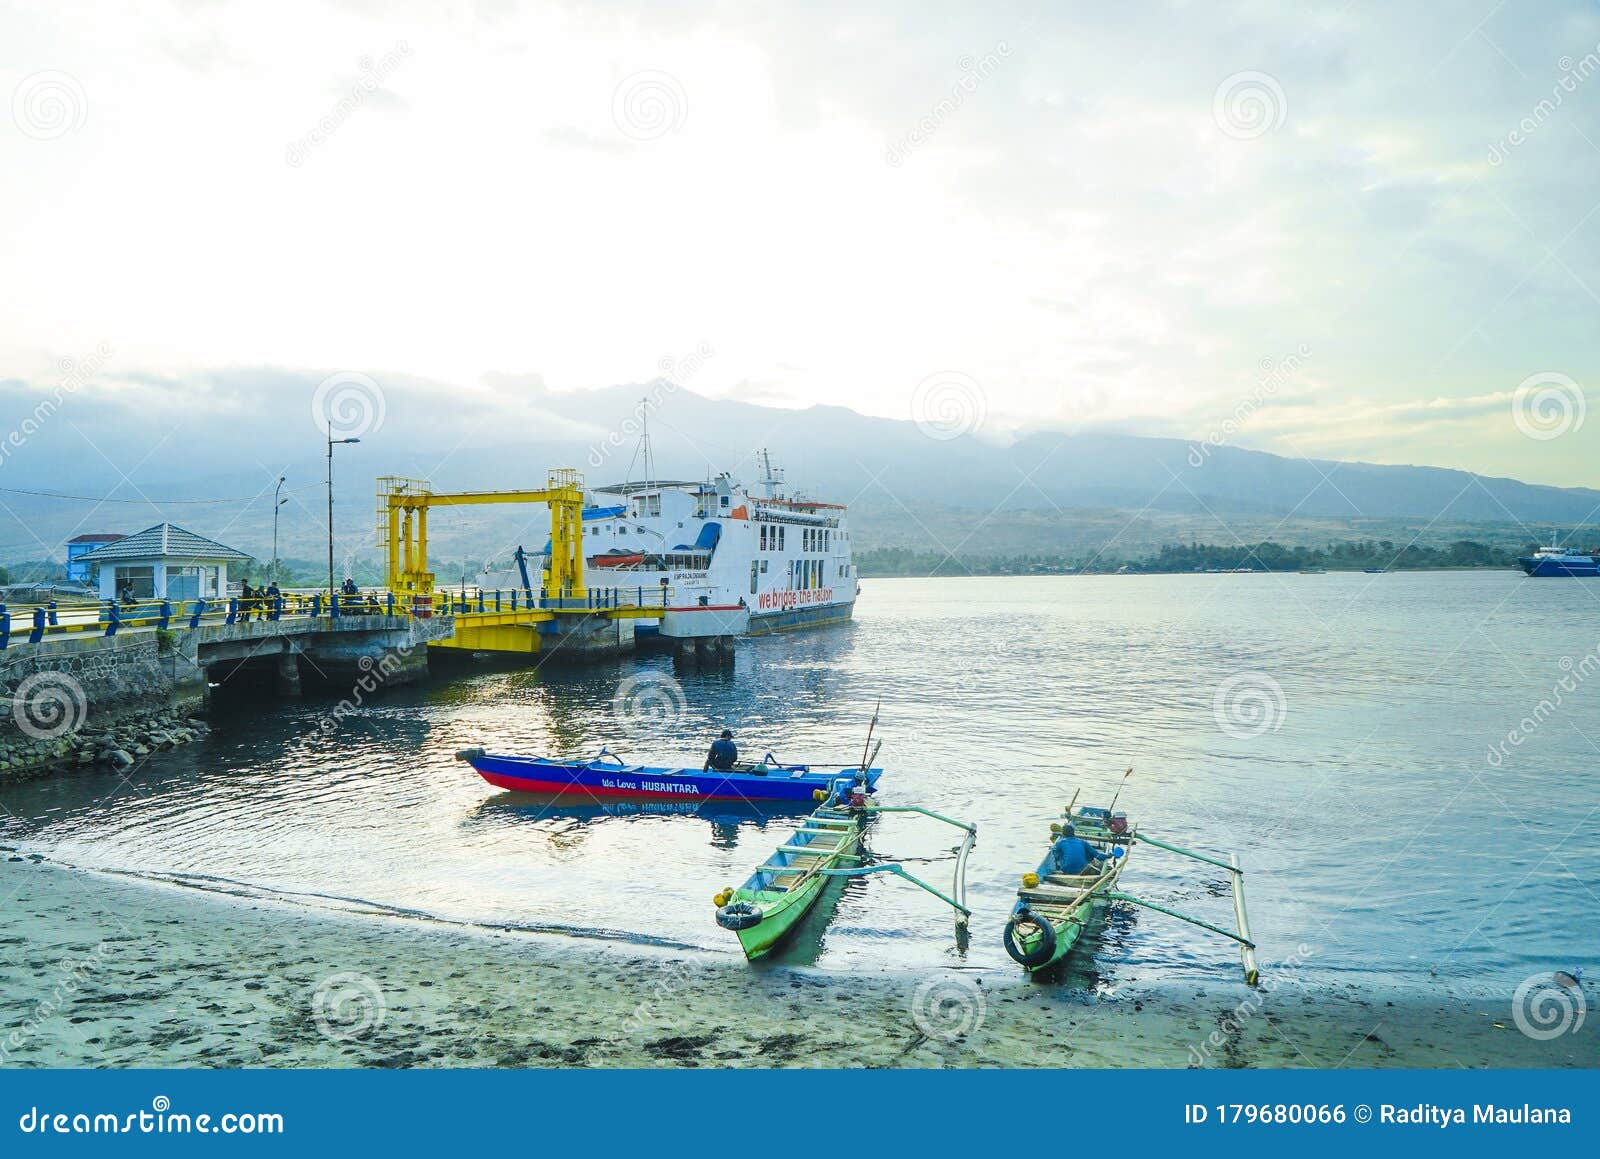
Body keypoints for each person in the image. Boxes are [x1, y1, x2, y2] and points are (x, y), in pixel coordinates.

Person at [1050, 824, 1117, 876]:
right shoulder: (1082, 842)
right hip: (1082, 869)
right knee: (1089, 853)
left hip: (1066, 869)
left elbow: (1055, 855)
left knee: (1058, 851)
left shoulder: (1060, 842)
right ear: (1074, 833)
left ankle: (1063, 866)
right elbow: (1097, 855)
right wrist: (1108, 856)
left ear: (1063, 834)